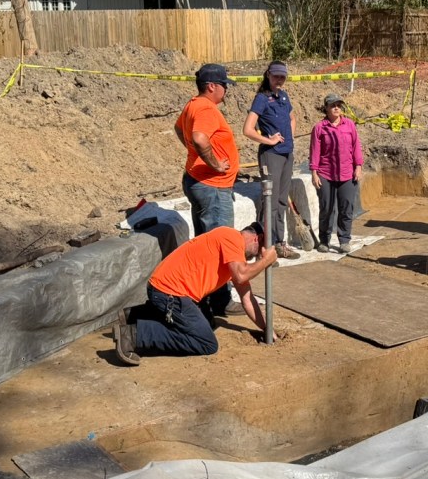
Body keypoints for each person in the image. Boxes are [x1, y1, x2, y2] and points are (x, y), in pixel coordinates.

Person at [115, 223, 277, 363]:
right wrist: (266, 261)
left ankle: (135, 315)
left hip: (165, 290)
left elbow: (247, 299)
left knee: (206, 322)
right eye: (257, 253)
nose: (254, 258)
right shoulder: (232, 237)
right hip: (170, 292)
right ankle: (133, 335)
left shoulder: (233, 257)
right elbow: (242, 275)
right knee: (206, 342)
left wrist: (266, 328)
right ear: (257, 239)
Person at [175, 63, 240, 238]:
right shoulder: (205, 108)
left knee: (204, 242)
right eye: (224, 85)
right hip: (213, 187)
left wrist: (195, 152)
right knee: (219, 243)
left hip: (200, 181)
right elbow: (199, 138)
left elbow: (179, 128)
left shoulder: (193, 104)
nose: (226, 89)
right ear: (212, 86)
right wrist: (215, 164)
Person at [243, 60, 300, 258]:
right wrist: (268, 140)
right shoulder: (262, 98)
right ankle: (265, 248)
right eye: (276, 76)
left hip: (286, 154)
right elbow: (247, 129)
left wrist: (289, 138)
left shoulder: (283, 96)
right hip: (271, 155)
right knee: (271, 202)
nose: (279, 80)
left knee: (282, 201)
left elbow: (293, 117)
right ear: (268, 75)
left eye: (282, 77)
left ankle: (279, 244)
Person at [309, 93, 364, 253]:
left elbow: (356, 147)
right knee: (327, 208)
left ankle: (344, 239)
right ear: (326, 108)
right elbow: (315, 151)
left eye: (339, 105)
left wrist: (358, 166)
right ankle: (324, 240)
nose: (336, 108)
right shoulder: (320, 128)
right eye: (333, 105)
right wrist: (314, 172)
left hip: (347, 173)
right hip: (326, 173)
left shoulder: (350, 125)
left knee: (346, 207)